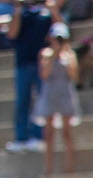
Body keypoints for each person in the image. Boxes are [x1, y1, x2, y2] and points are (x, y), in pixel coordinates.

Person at [34, 21, 82, 177]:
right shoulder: (45, 54)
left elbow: (74, 76)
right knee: (48, 134)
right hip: (50, 94)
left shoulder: (70, 55)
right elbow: (44, 75)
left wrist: (65, 56)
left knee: (67, 133)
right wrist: (53, 55)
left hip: (65, 93)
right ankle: (48, 170)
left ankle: (70, 170)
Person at [6, 0, 52, 152]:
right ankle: (21, 138)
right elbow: (12, 34)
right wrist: (17, 10)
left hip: (41, 65)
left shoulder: (45, 14)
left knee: (41, 102)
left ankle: (38, 137)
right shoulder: (20, 14)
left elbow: (59, 32)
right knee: (22, 102)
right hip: (23, 64)